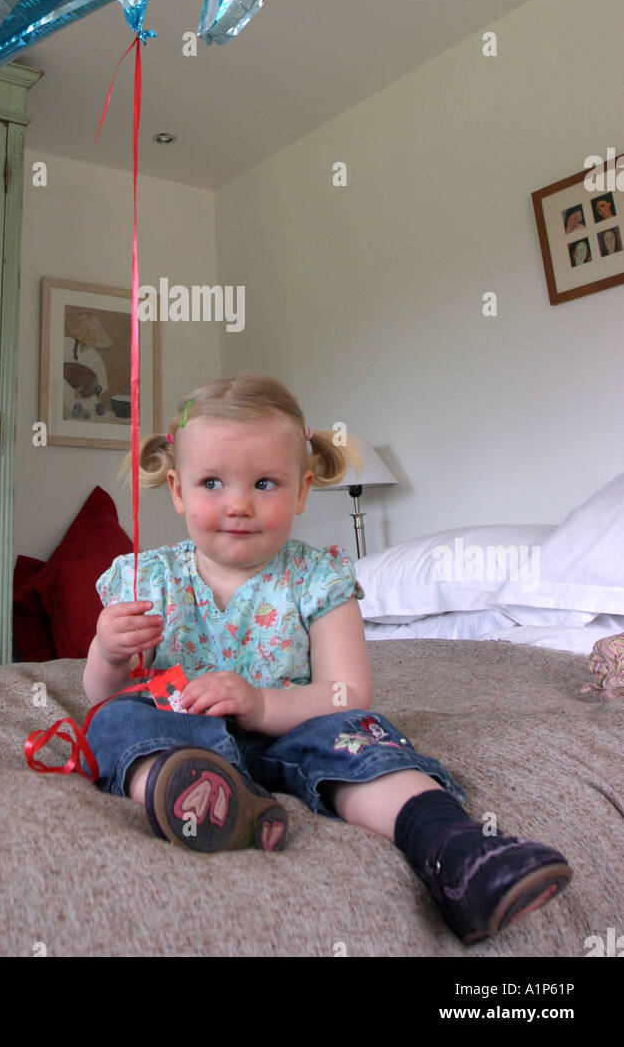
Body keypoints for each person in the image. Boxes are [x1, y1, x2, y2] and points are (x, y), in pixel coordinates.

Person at [83, 373, 572, 945]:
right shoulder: (148, 576)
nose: (238, 503)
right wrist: (108, 653)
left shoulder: (319, 579)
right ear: (178, 490)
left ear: (302, 490)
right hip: (185, 736)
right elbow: (102, 692)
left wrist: (262, 703)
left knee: (360, 738)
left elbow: (347, 693)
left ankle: (454, 852)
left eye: (265, 483)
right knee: (117, 722)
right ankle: (213, 801)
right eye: (212, 482)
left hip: (295, 727)